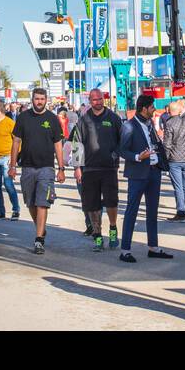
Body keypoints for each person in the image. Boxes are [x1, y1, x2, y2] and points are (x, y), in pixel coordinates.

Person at [117, 94, 174, 263]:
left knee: (152, 211)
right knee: (131, 211)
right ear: (144, 108)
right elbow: (122, 150)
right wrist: (137, 157)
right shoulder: (129, 126)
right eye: (152, 107)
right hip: (137, 174)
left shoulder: (150, 125)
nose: (154, 110)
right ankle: (125, 250)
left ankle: (153, 247)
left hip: (154, 172)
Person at [9, 87, 66, 255]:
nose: (39, 101)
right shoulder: (23, 118)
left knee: (42, 203)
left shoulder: (52, 119)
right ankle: (41, 228)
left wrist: (61, 168)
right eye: (36, 99)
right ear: (32, 100)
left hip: (46, 168)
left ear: (46, 100)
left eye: (42, 99)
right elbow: (16, 142)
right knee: (30, 203)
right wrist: (12, 166)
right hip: (27, 167)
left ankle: (39, 239)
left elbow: (58, 144)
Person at [71, 89, 122, 251]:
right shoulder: (84, 120)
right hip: (89, 169)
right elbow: (77, 144)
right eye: (94, 100)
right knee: (92, 205)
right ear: (90, 100)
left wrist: (115, 155)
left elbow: (122, 141)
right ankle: (98, 235)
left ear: (104, 99)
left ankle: (113, 229)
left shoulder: (114, 118)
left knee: (111, 202)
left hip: (109, 168)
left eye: (100, 99)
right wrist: (77, 167)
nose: (98, 102)